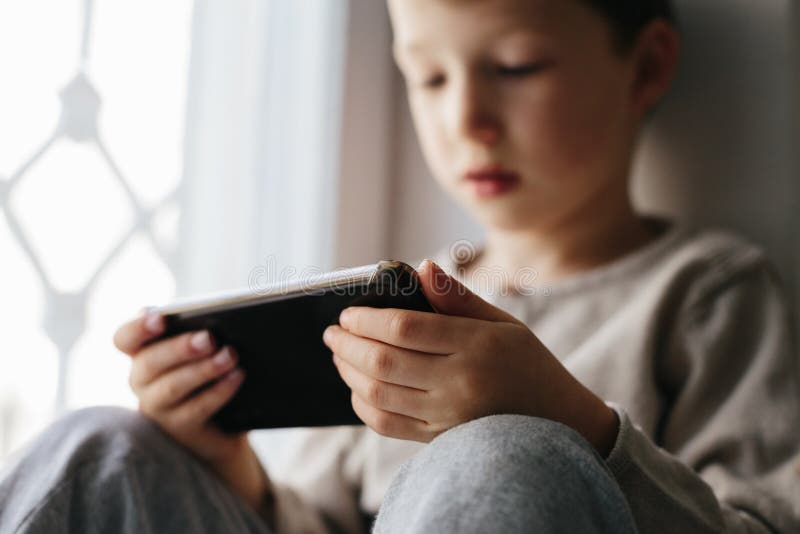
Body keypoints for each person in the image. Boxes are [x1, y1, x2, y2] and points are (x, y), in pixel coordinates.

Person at [1, 0, 798, 532]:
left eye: (516, 67)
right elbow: (319, 520)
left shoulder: (705, 291)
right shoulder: (392, 306)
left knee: (501, 454)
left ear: (647, 68)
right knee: (101, 445)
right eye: (428, 77)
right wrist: (231, 470)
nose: (467, 119)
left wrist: (575, 424)